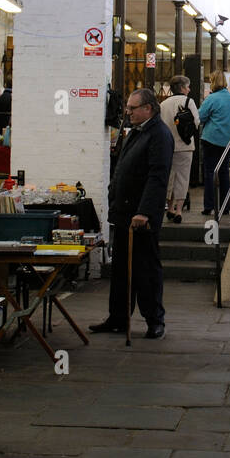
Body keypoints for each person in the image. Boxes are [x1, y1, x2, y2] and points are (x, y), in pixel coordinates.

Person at [90, 88, 173, 340]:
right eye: (128, 107)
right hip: (124, 213)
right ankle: (118, 317)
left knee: (145, 269)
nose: (128, 112)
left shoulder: (159, 134)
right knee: (121, 271)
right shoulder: (136, 132)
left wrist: (145, 212)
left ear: (148, 108)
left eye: (132, 108)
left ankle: (154, 320)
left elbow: (157, 176)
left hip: (141, 217)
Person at [197, 71, 230, 216]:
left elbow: (200, 117)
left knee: (210, 173)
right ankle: (225, 206)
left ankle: (209, 206)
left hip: (211, 139)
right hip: (228, 141)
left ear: (213, 82)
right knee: (223, 172)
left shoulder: (211, 98)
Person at [159, 74, 199, 223]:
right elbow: (196, 122)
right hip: (185, 146)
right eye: (188, 86)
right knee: (182, 177)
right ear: (182, 88)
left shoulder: (163, 104)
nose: (189, 89)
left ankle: (169, 208)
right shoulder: (189, 101)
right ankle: (179, 210)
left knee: (169, 177)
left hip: (168, 146)